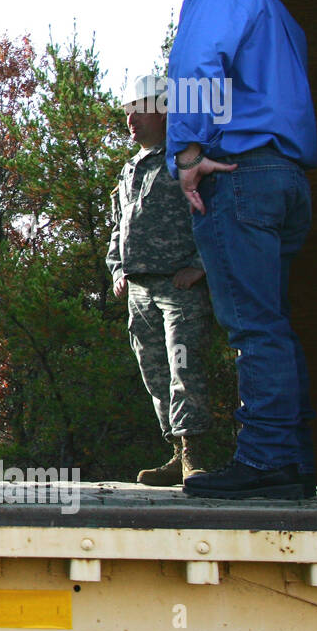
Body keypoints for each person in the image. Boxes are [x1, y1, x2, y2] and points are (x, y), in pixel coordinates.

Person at [163, 0, 317, 500]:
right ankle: (292, 458)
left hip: (243, 178)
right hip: (285, 180)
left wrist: (188, 153)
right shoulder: (272, 5)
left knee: (254, 327)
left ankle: (266, 458)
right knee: (273, 323)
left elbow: (197, 67)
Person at [107, 76, 211, 486]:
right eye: (127, 110)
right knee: (155, 373)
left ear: (163, 109)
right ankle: (174, 454)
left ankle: (193, 457)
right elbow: (118, 226)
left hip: (178, 286)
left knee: (184, 366)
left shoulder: (183, 157)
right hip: (139, 288)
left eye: (139, 108)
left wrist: (201, 265)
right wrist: (118, 270)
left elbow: (213, 212)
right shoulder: (130, 166)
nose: (130, 118)